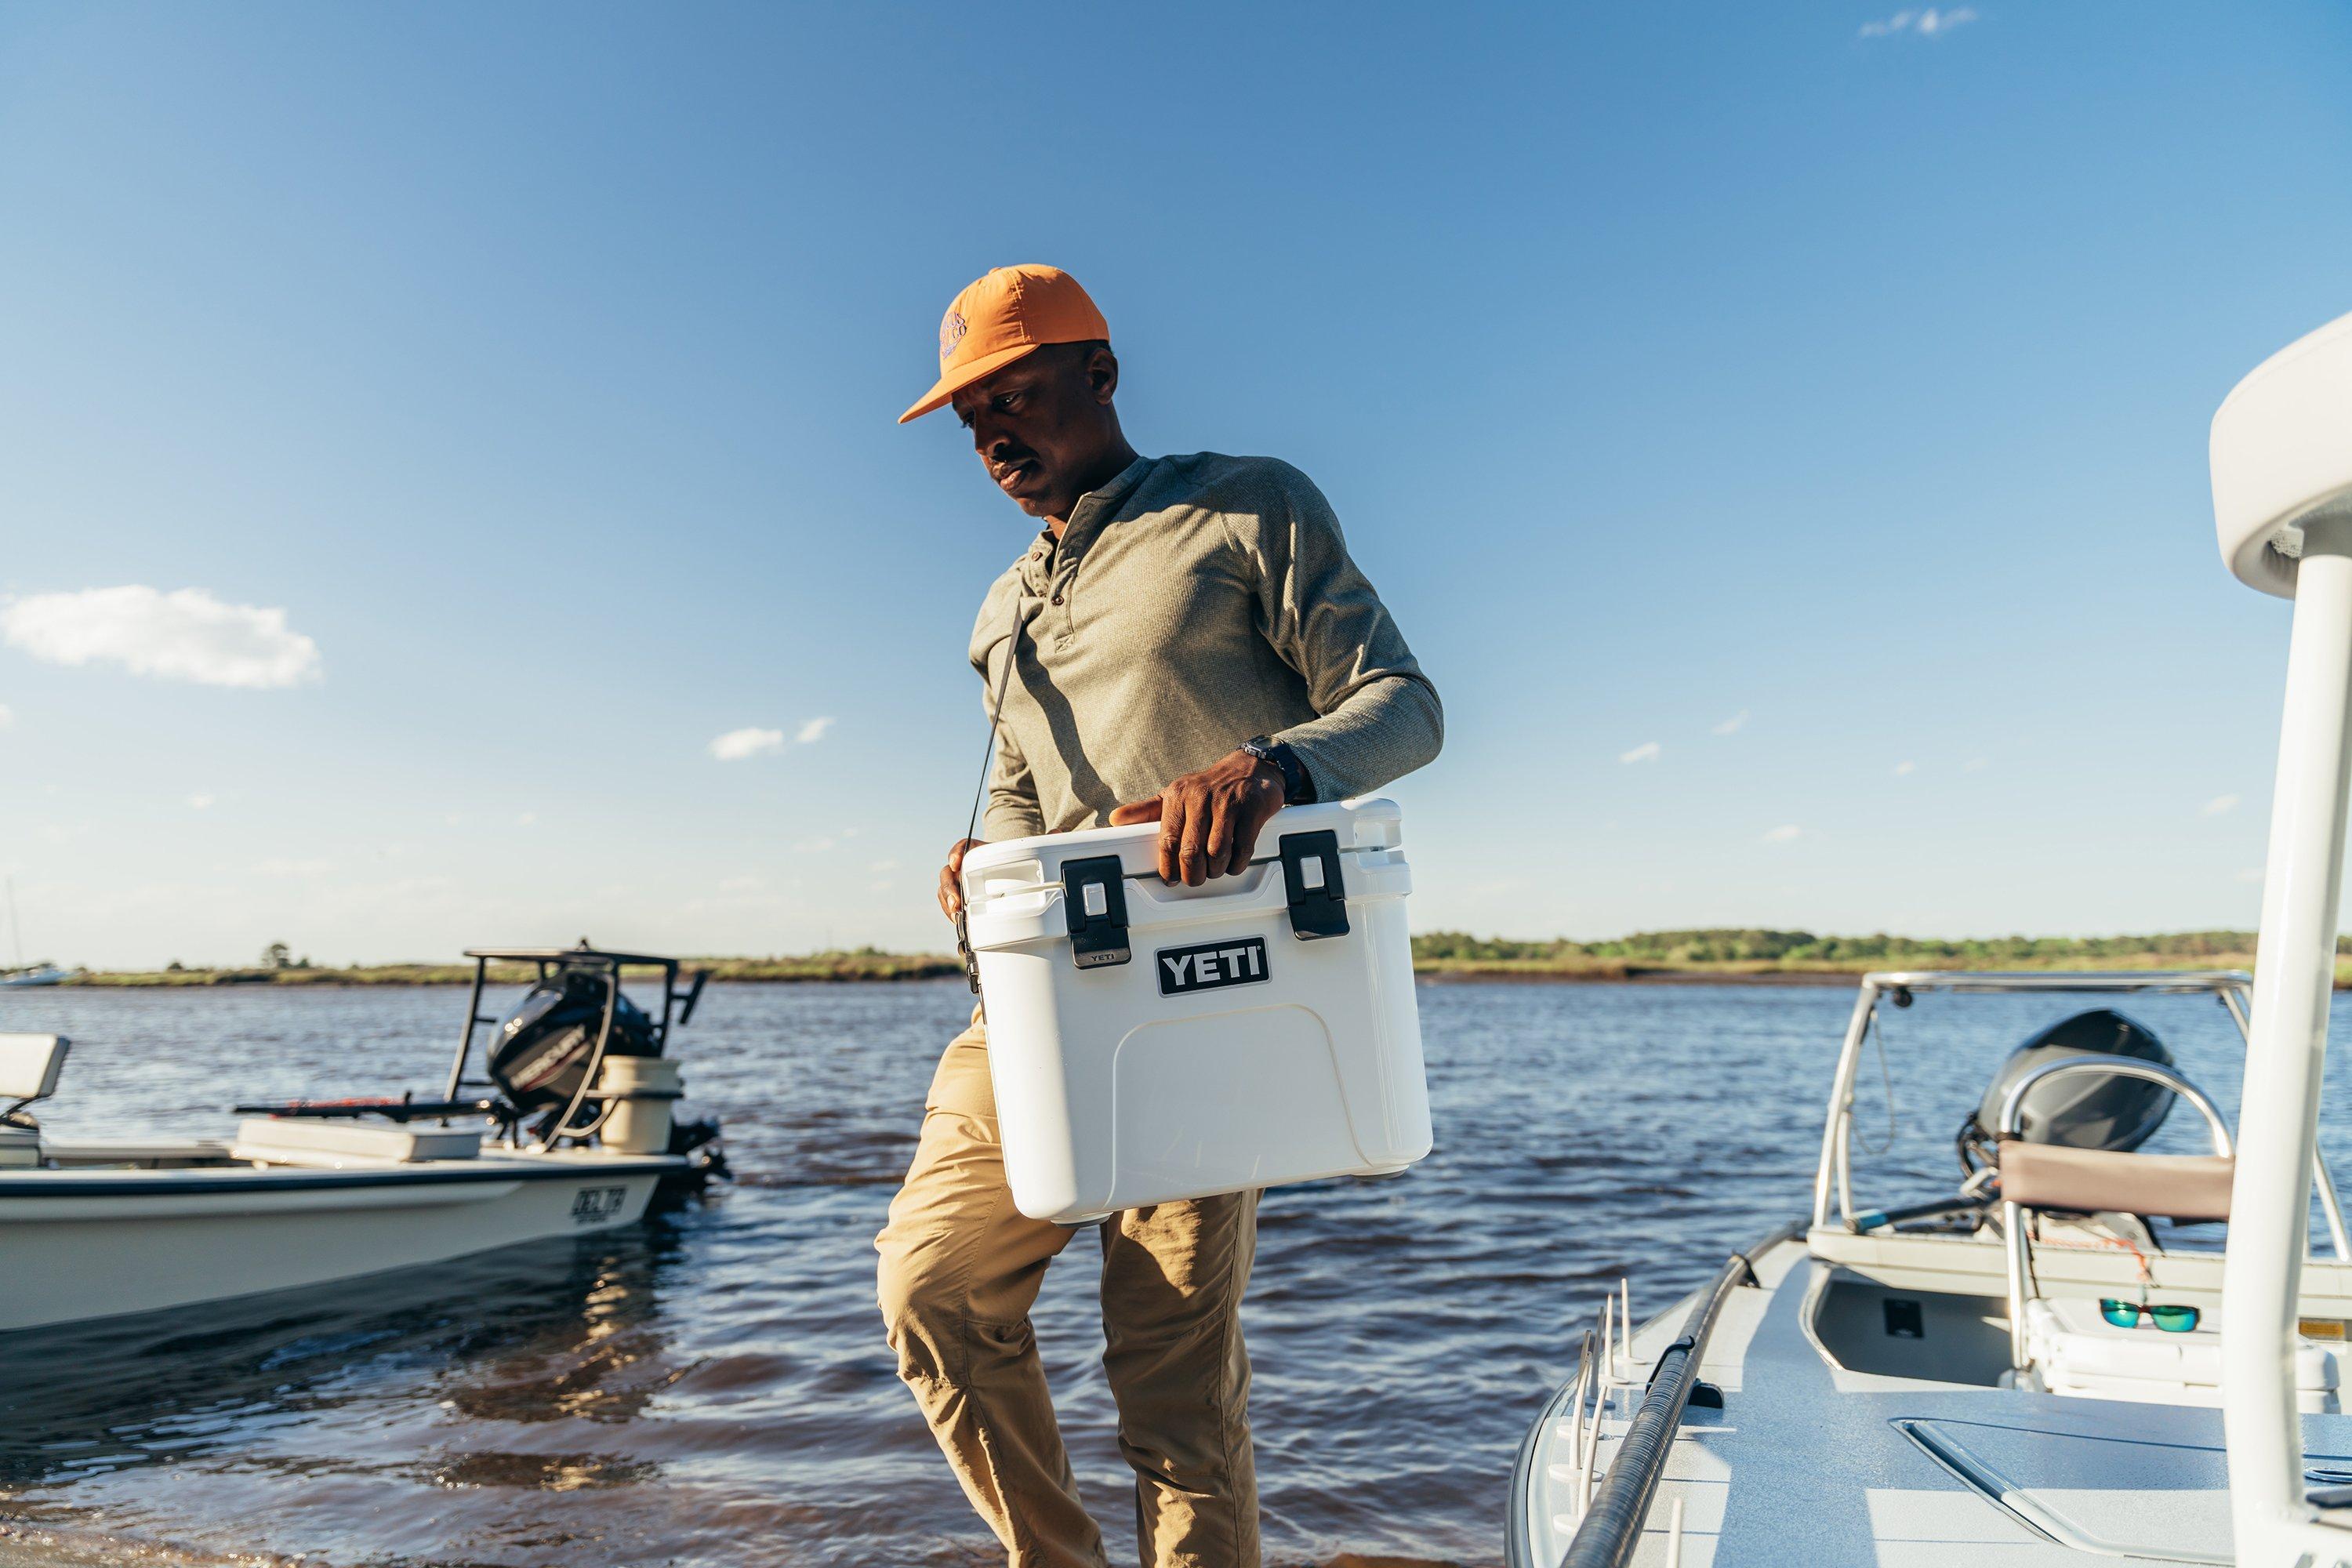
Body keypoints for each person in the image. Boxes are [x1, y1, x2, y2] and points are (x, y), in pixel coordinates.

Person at [876, 263, 1442, 1568]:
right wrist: (984, 873)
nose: (994, 438)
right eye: (972, 423)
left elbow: (1406, 705)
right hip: (1030, 1004)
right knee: (934, 1295)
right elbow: (1019, 792)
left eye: (1013, 397)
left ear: (1101, 374)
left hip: (1205, 995)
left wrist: (1271, 769)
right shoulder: (995, 613)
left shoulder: (1246, 505)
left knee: (1174, 1397)